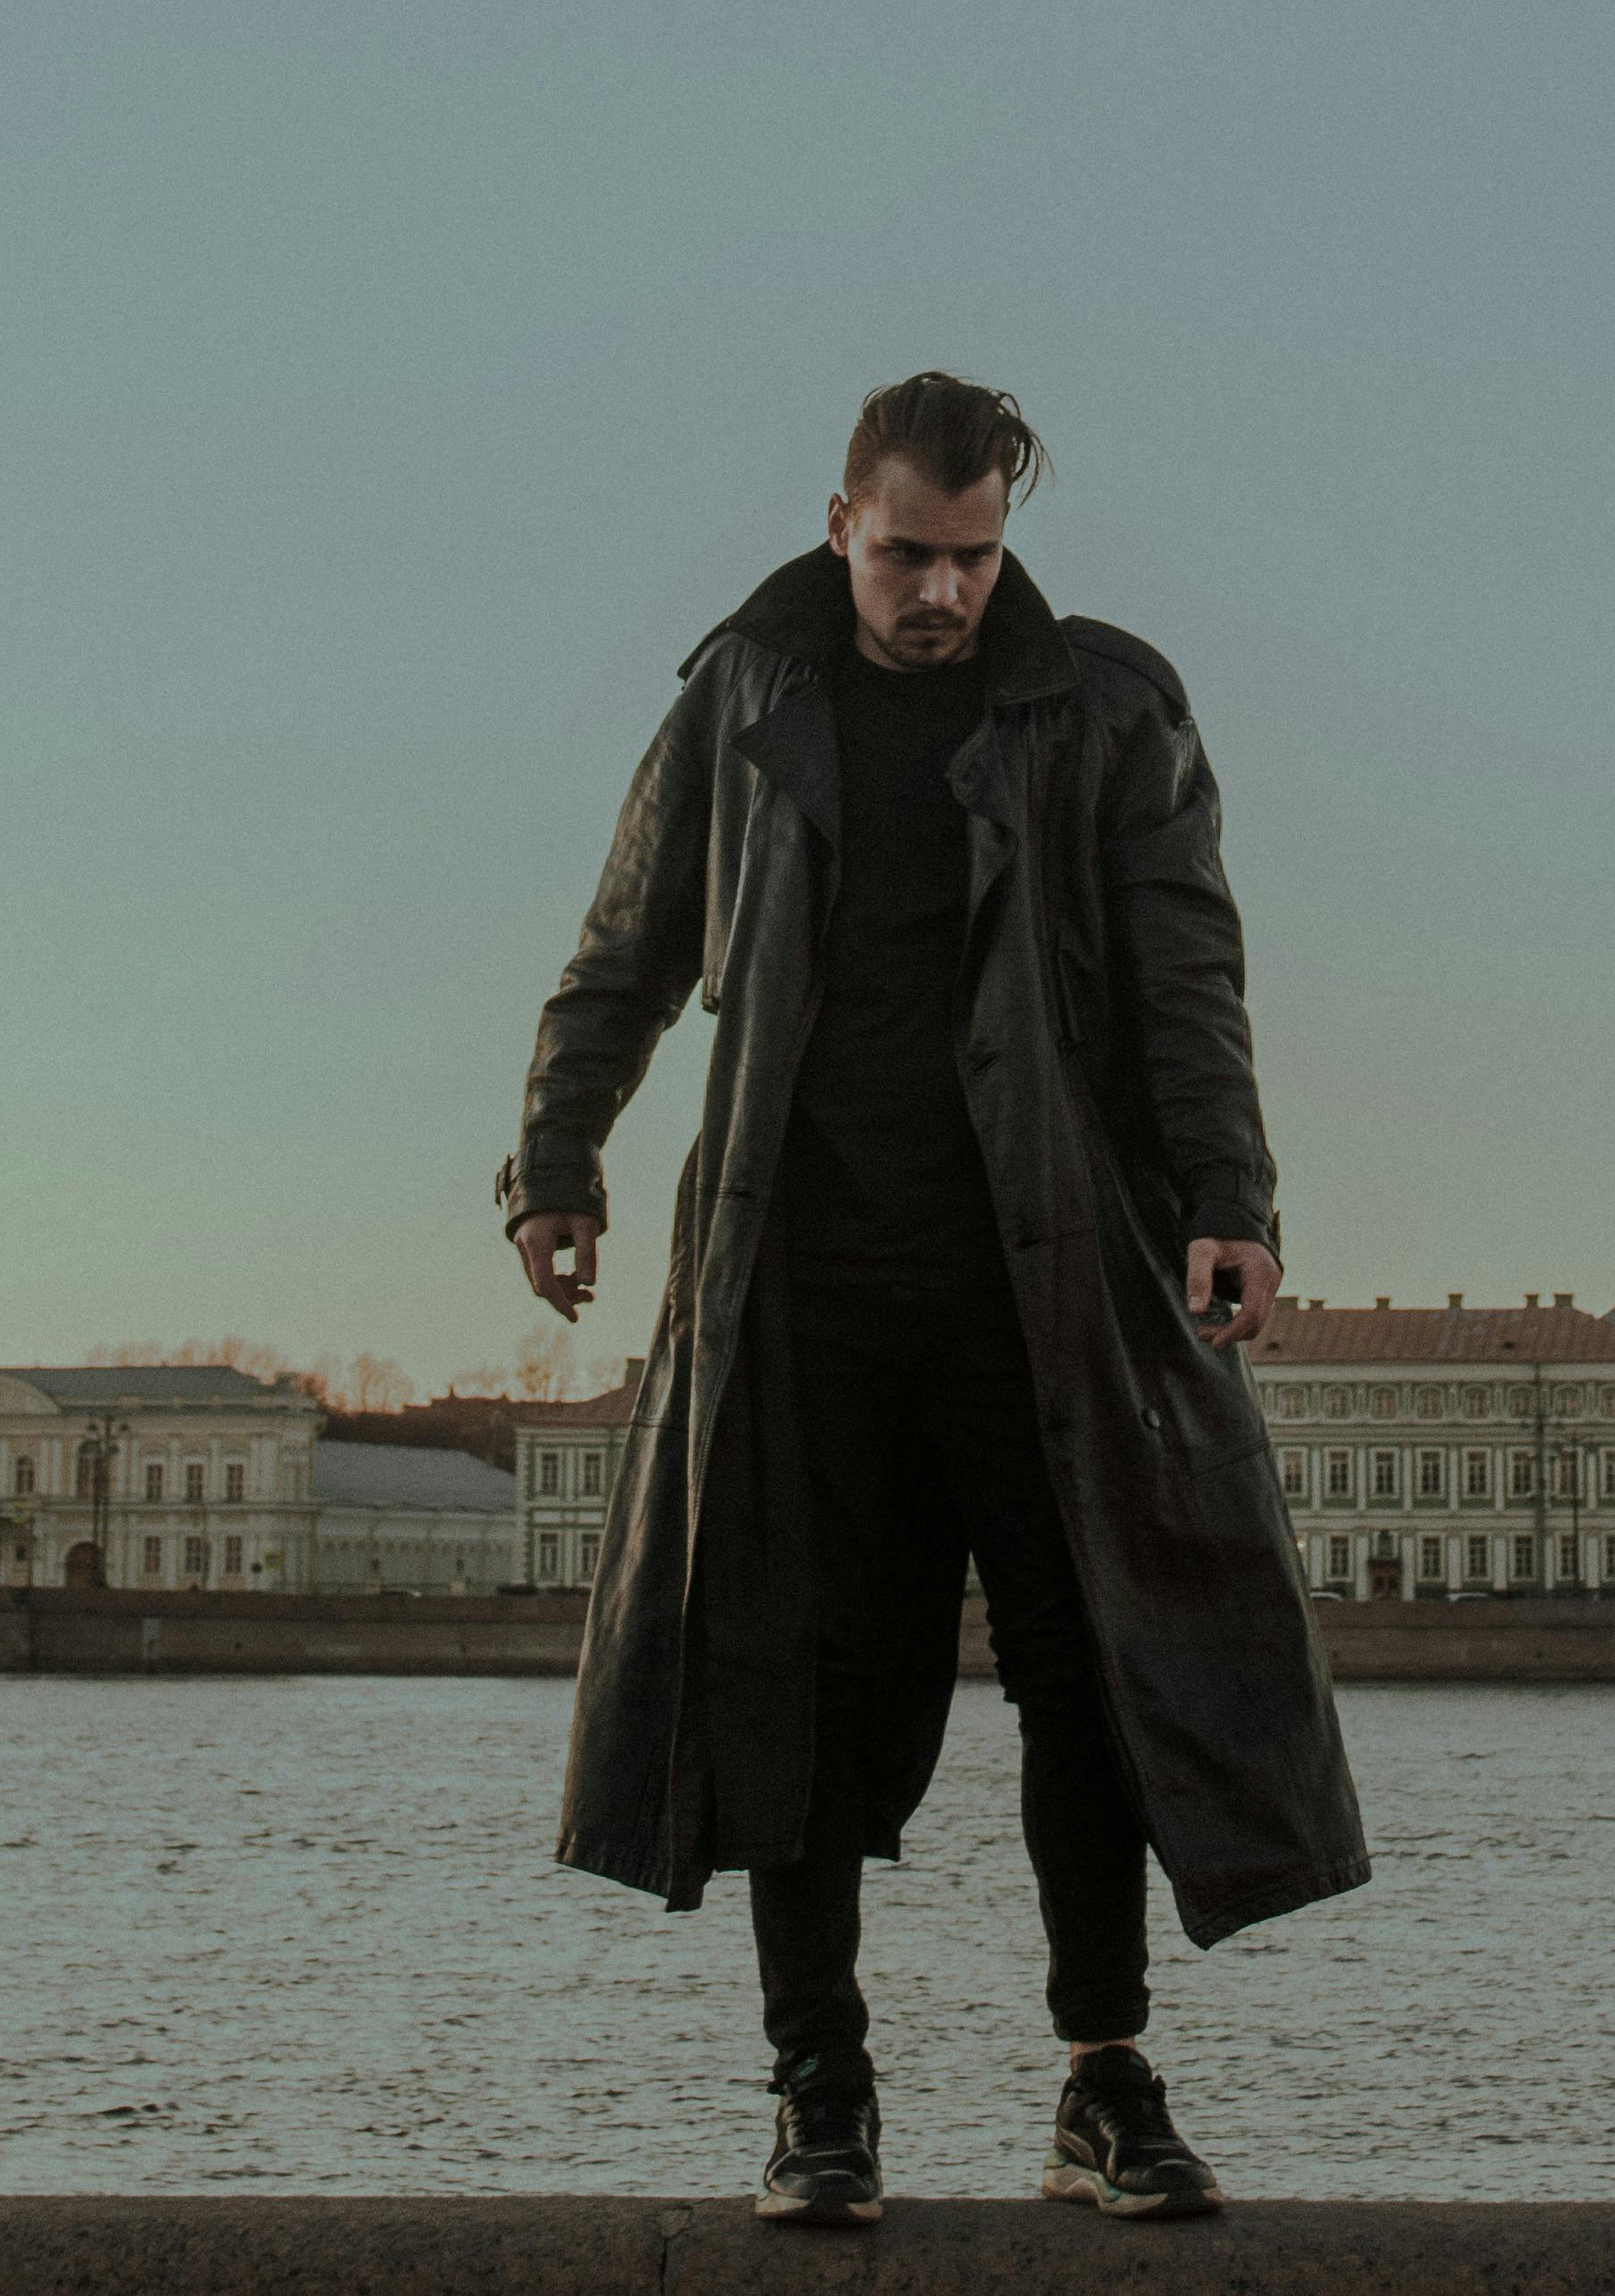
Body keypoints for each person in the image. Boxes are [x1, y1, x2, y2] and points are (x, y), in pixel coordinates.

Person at [500, 371, 1366, 2223]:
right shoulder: (744, 694)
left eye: (977, 558)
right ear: (842, 525)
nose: (945, 594)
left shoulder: (1103, 703)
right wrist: (554, 1162)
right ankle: (822, 2096)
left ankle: (1103, 2083)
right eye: (910, 553)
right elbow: (625, 948)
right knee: (792, 1682)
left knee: (1090, 1676)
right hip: (797, 1283)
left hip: (1046, 1285)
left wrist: (1231, 1196)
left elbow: (1186, 966)